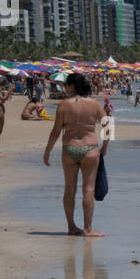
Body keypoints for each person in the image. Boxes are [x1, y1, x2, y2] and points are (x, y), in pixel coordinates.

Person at [43, 73, 107, 237]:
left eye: (66, 84)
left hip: (69, 149)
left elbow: (56, 131)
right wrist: (104, 148)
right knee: (88, 189)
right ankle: (88, 228)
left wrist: (48, 151)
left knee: (69, 189)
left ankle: (71, 227)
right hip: (90, 149)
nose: (64, 87)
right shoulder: (95, 103)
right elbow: (109, 126)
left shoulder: (64, 105)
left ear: (72, 86)